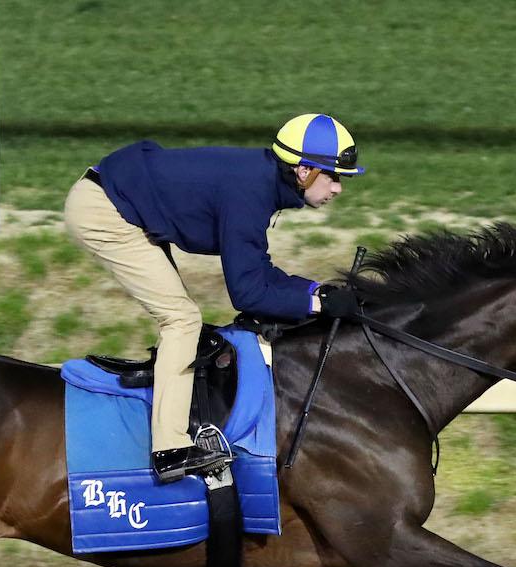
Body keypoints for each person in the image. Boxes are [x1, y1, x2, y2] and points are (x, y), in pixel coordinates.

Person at [64, 113, 366, 483]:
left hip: (125, 199)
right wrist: (318, 306)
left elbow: (255, 271)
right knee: (182, 320)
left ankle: (170, 408)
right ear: (304, 171)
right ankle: (170, 448)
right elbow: (248, 293)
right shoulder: (250, 192)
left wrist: (313, 291)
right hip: (106, 210)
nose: (337, 189)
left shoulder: (260, 182)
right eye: (334, 176)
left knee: (182, 317)